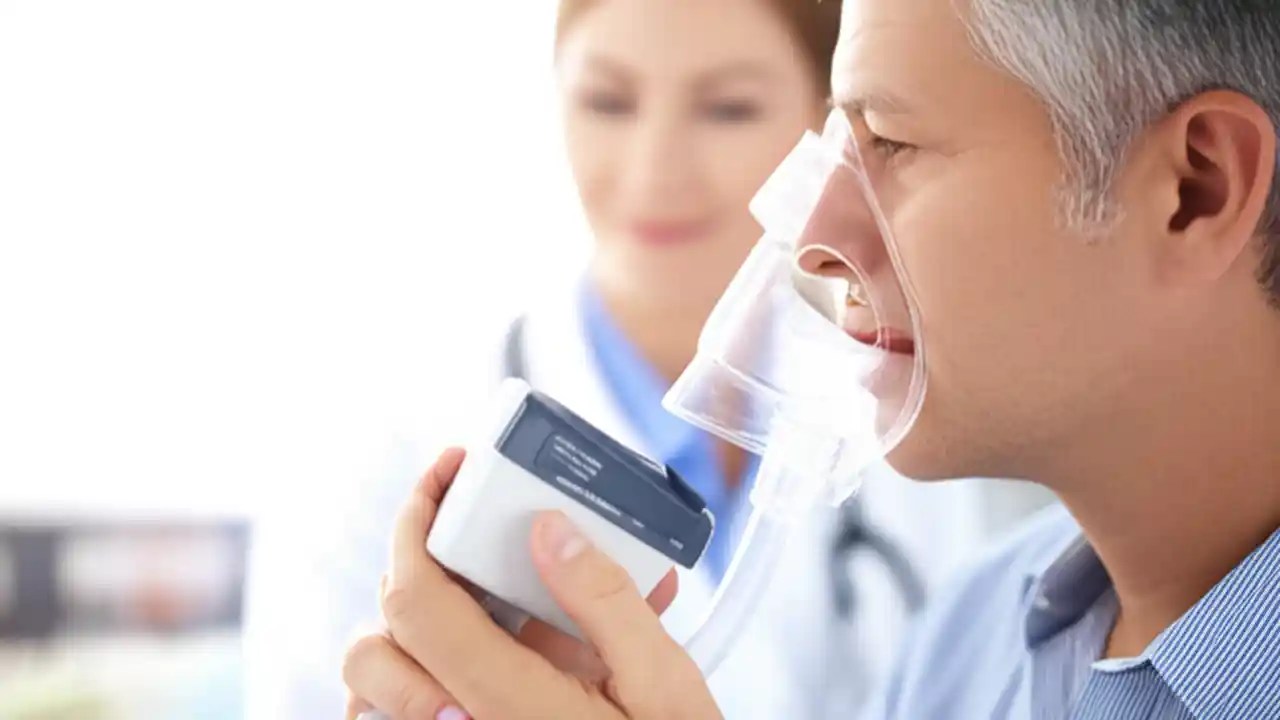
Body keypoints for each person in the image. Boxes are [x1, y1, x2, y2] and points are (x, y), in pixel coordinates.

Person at [338, 0, 1280, 718]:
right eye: (840, 142)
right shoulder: (971, 640)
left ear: (1194, 189)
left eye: (894, 144)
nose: (811, 241)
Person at [244, 1, 1046, 718]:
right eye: (607, 102)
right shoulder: (388, 452)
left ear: (827, 126)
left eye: (727, 109)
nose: (655, 167)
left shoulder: (928, 434)